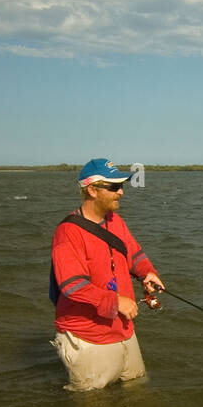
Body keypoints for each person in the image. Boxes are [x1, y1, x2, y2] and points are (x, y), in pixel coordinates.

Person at [50, 159, 164, 391]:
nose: (121, 192)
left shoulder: (116, 221)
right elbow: (72, 286)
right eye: (113, 187)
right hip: (88, 338)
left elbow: (134, 254)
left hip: (123, 328)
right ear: (92, 190)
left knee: (138, 389)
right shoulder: (68, 233)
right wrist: (115, 302)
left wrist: (147, 273)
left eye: (122, 185)